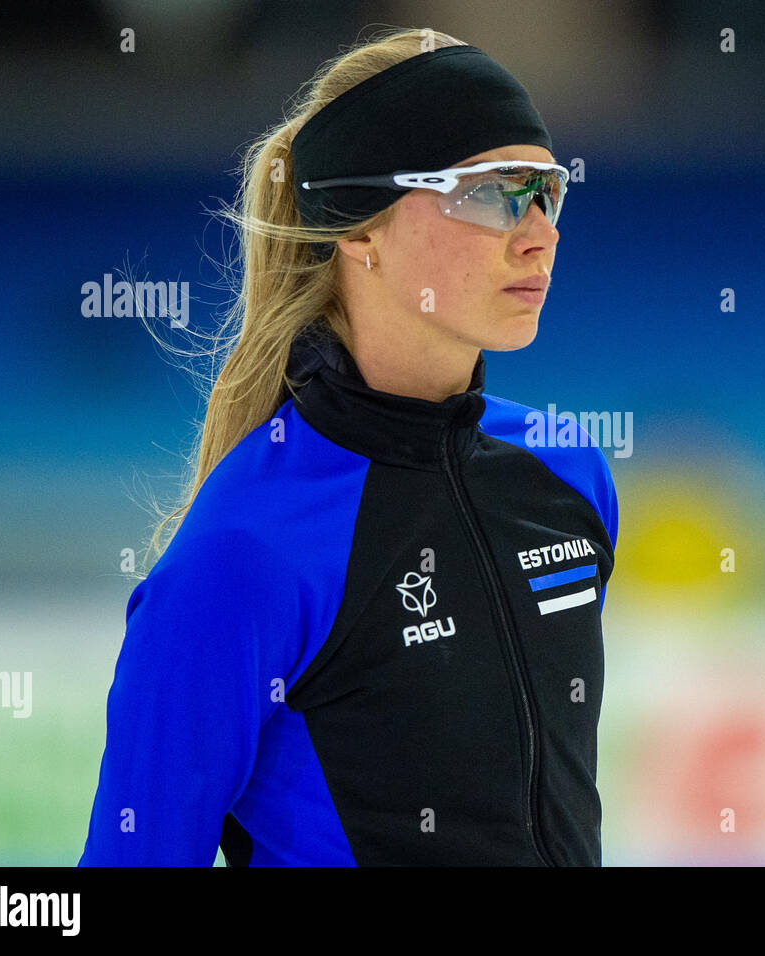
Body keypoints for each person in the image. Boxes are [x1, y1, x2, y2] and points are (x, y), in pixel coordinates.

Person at [78, 28, 617, 866]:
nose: (538, 233)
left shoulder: (567, 473)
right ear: (355, 229)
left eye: (545, 191)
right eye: (488, 193)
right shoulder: (246, 551)